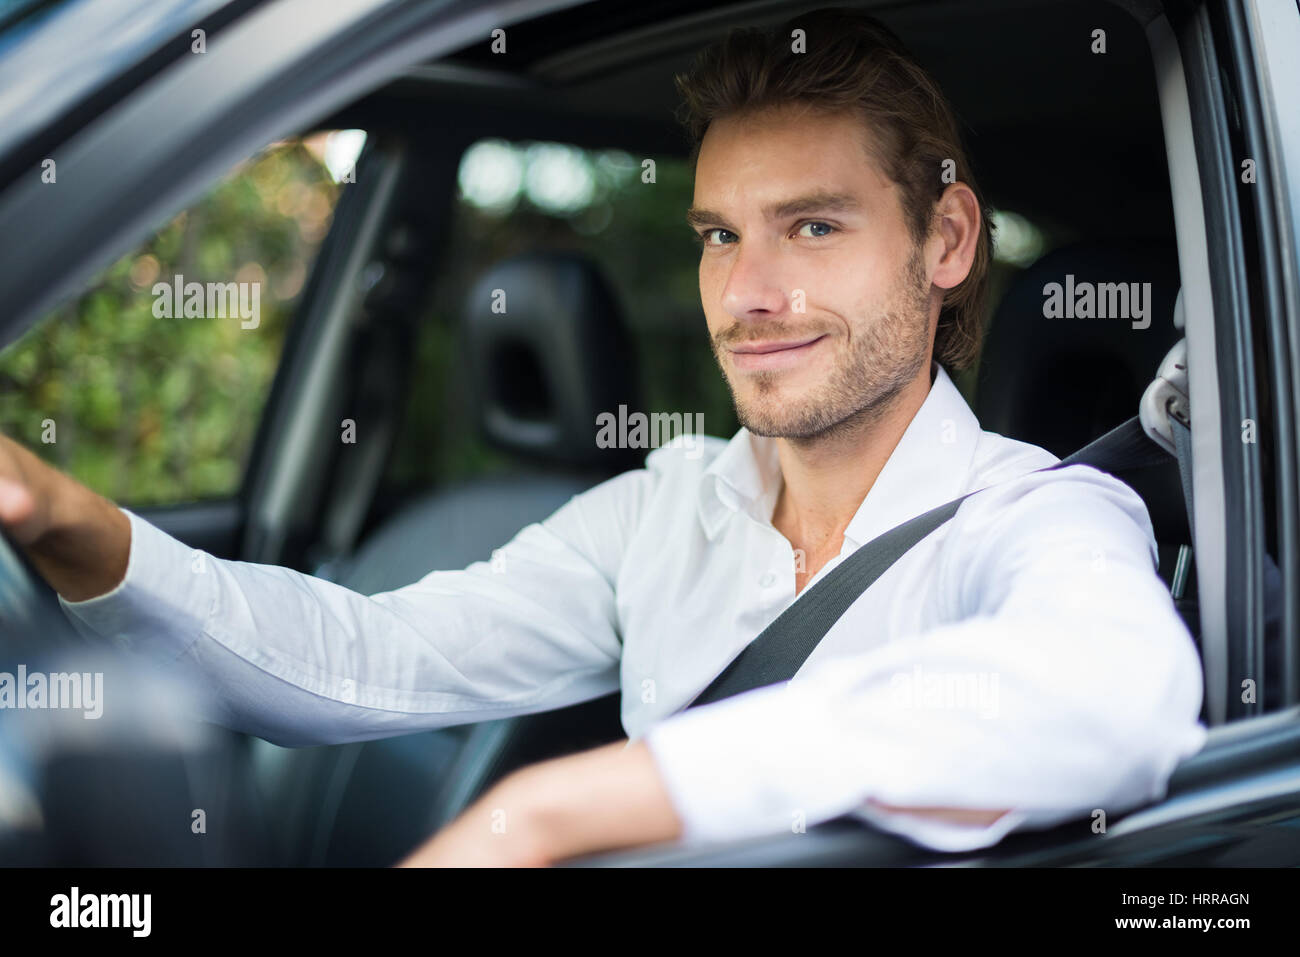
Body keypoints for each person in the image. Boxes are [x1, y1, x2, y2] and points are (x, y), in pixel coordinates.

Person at [0, 8, 1205, 866]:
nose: (746, 294)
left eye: (814, 227)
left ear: (945, 243)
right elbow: (369, 656)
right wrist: (70, 525)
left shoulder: (1036, 514)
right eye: (719, 236)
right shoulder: (662, 506)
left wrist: (554, 814)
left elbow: (1111, 697)